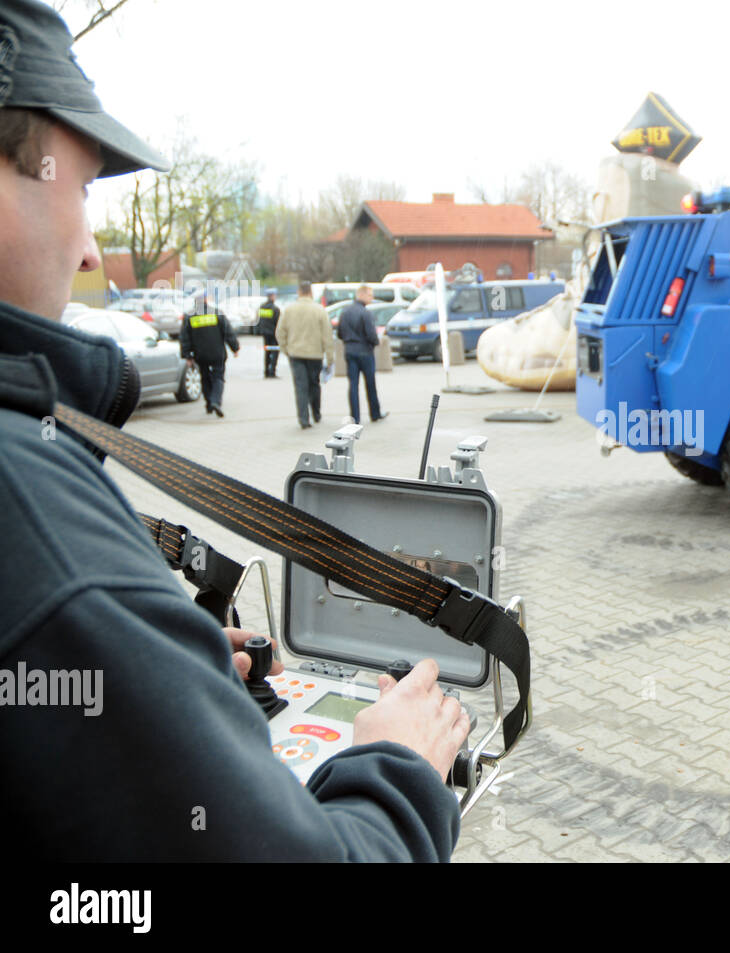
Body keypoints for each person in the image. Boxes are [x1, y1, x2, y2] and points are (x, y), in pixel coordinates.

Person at [0, 0, 469, 861]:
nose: (92, 251)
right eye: (80, 188)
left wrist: (147, 671)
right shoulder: (27, 501)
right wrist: (398, 768)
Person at [276, 281, 334, 429]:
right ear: (311, 292)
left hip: (296, 354)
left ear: (299, 292)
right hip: (315, 355)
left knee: (300, 386)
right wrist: (330, 356)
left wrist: (285, 349)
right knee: (314, 384)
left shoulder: (289, 310)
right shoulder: (320, 310)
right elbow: (327, 335)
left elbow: (280, 332)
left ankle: (303, 419)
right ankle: (316, 413)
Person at [179, 290, 240, 416]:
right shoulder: (217, 313)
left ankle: (208, 404)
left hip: (200, 355)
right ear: (206, 299)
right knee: (218, 378)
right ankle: (215, 401)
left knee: (205, 378)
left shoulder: (189, 316)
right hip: (217, 353)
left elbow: (185, 338)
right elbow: (228, 332)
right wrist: (235, 348)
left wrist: (187, 355)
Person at [337, 284, 389, 423]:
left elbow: (340, 333)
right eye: (370, 295)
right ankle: (375, 413)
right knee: (370, 384)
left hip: (350, 350)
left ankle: (355, 417)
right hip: (365, 352)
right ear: (362, 294)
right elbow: (371, 334)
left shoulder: (345, 312)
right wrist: (375, 343)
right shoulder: (365, 313)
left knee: (353, 385)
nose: (372, 298)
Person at [255, 288, 281, 378]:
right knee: (275, 352)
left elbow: (258, 320)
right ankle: (272, 372)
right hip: (274, 334)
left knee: (267, 352)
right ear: (272, 296)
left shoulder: (262, 307)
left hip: (265, 333)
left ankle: (266, 371)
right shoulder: (275, 309)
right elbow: (278, 323)